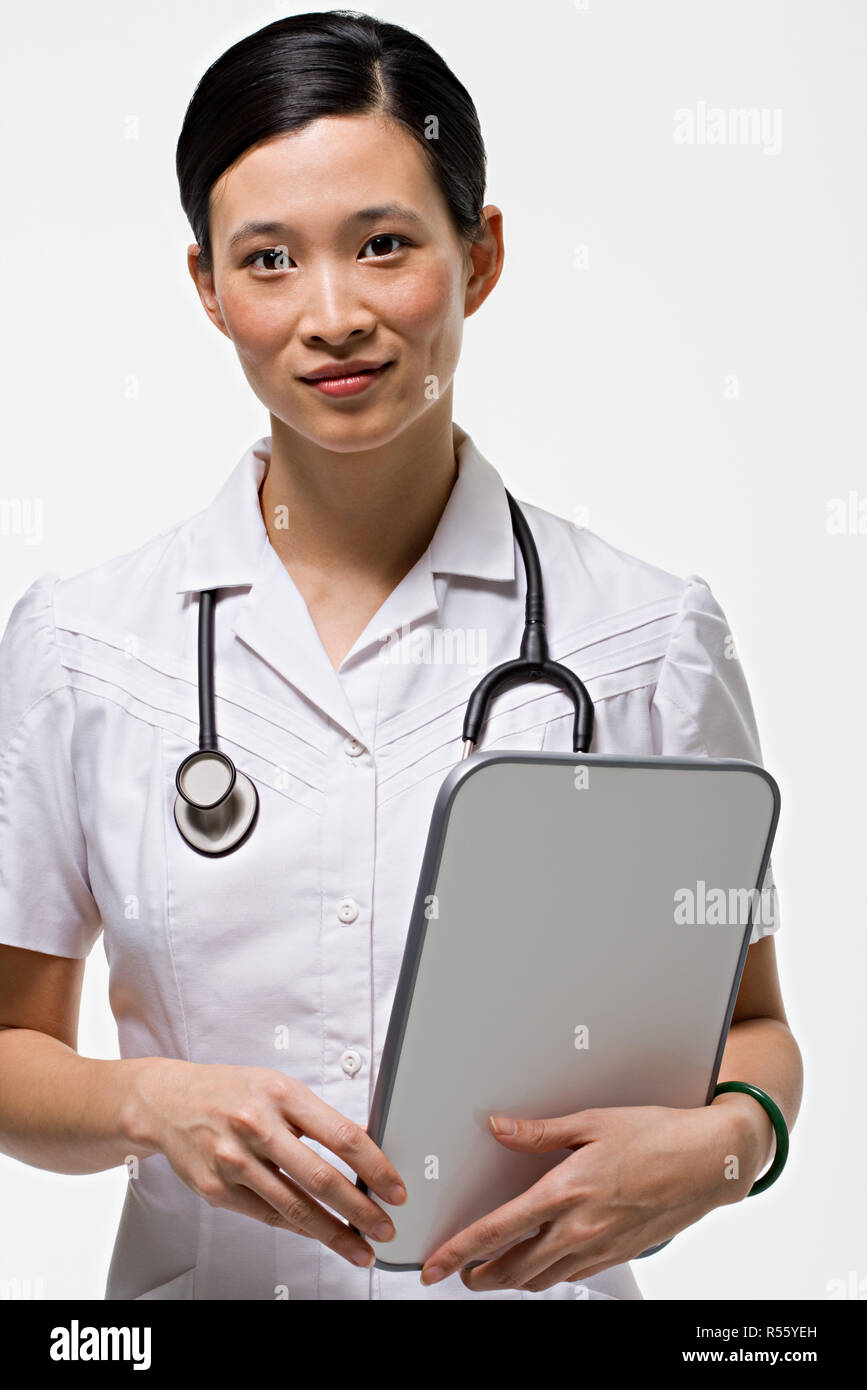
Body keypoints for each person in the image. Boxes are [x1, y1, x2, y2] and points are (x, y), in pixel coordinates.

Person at [0, 10, 802, 1301]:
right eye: (268, 259)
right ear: (207, 286)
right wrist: (148, 1101)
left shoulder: (649, 639)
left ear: (479, 256)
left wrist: (730, 1142)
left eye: (384, 245)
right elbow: (9, 1052)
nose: (333, 316)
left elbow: (754, 1023)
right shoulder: (86, 645)